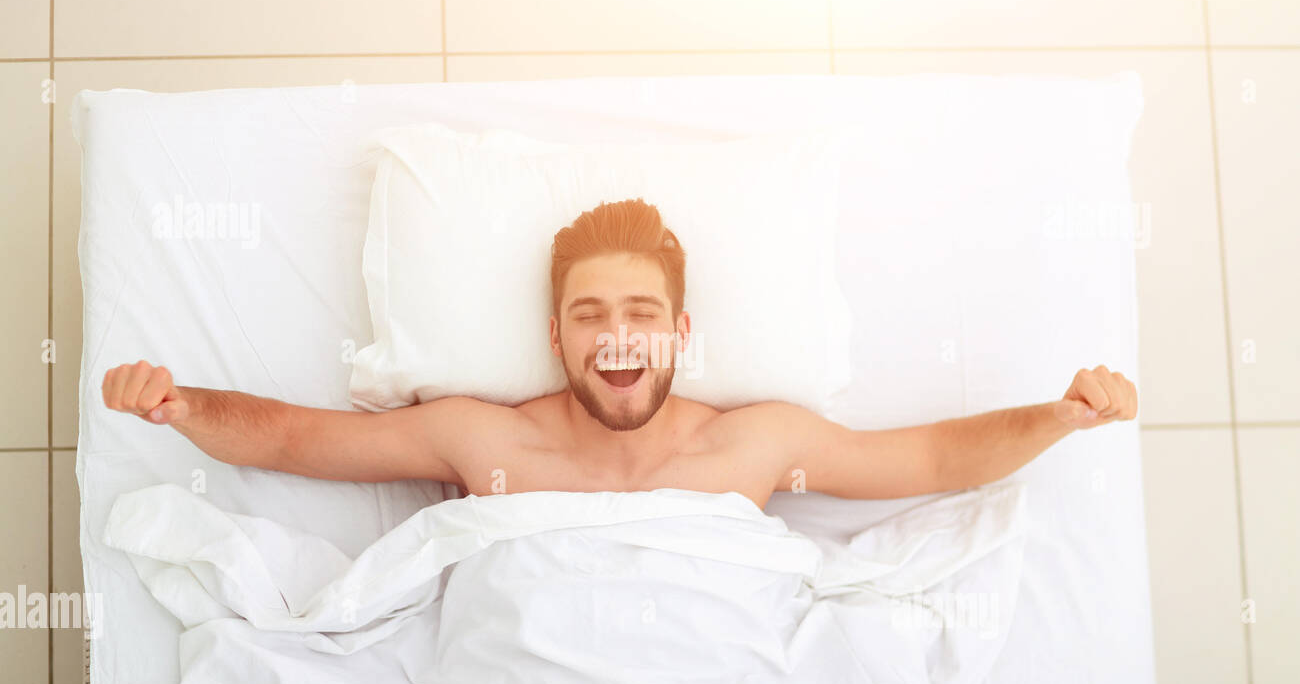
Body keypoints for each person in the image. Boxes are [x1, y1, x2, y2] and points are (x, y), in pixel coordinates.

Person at [102, 198, 1137, 511]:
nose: (616, 333)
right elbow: (292, 437)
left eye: (639, 310)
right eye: (589, 314)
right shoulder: (478, 434)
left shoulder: (756, 443)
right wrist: (177, 402)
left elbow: (928, 460)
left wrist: (1059, 416)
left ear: (678, 333)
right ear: (558, 338)